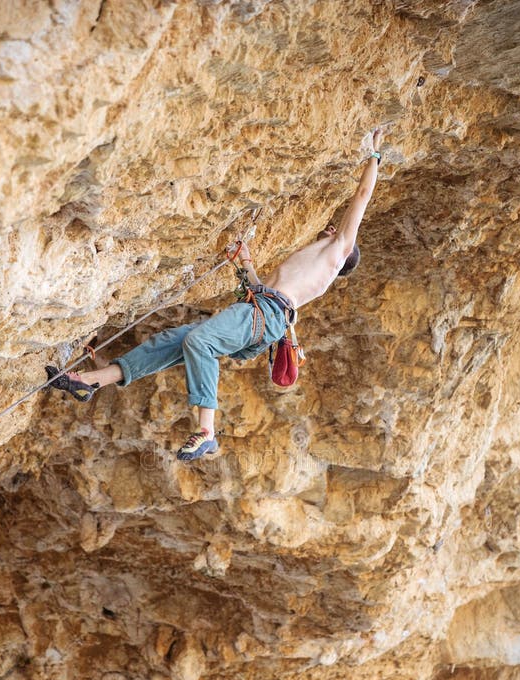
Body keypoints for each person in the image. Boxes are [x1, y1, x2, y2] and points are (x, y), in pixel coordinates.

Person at [46, 128, 384, 461]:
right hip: (260, 310)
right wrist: (245, 261)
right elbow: (261, 287)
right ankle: (89, 381)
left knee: (199, 343)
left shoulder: (338, 250)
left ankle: (206, 431)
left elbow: (362, 196)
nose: (330, 230)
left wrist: (374, 155)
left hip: (264, 316)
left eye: (335, 232)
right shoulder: (310, 262)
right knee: (171, 342)